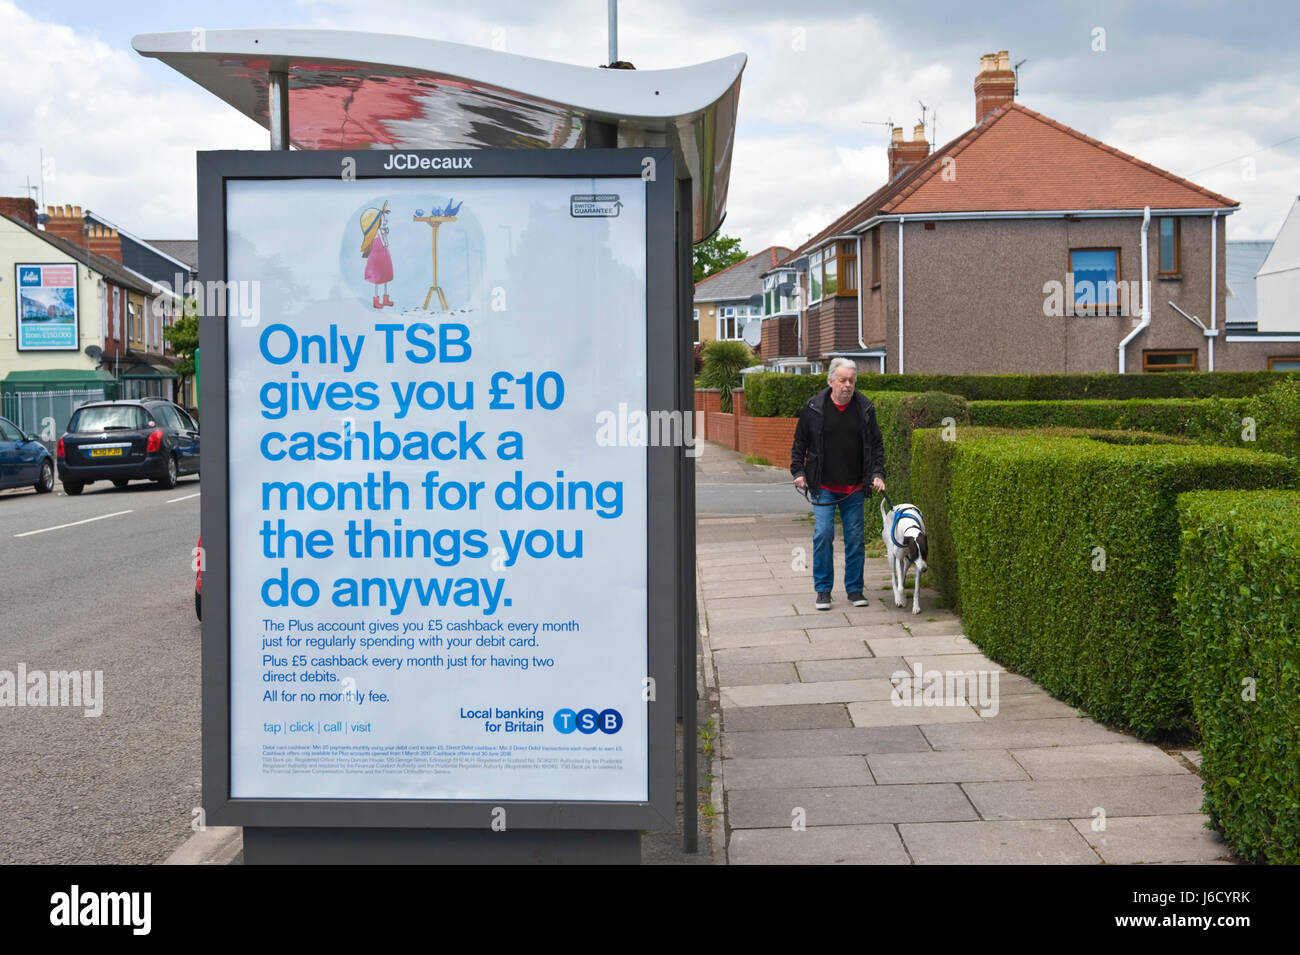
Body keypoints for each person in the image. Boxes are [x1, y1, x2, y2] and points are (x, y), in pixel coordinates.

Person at [790, 358, 886, 610]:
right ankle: (823, 590)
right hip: (822, 486)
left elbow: (876, 444)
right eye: (842, 380)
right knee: (823, 534)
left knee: (854, 538)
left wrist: (877, 473)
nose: (847, 385)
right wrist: (798, 471)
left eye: (851, 381)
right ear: (831, 381)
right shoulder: (814, 407)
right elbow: (800, 441)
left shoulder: (864, 408)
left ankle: (854, 589)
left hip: (854, 487)